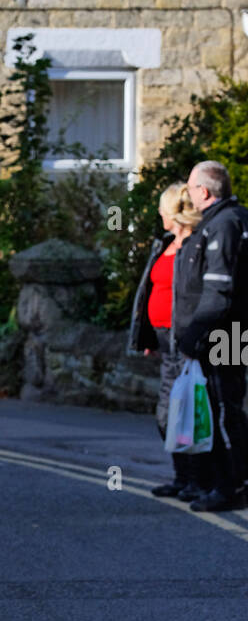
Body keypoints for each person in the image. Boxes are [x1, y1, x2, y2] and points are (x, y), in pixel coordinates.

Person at [128, 183, 211, 501]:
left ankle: (198, 480)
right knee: (168, 413)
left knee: (186, 411)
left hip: (186, 340)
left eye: (162, 208)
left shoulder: (195, 245)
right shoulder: (163, 242)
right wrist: (147, 336)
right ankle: (182, 477)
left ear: (174, 210)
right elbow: (151, 291)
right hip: (164, 339)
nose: (158, 213)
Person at [175, 160, 248, 511]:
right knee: (227, 407)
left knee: (224, 409)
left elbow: (219, 291)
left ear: (203, 191)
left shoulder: (224, 224)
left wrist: (193, 336)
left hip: (226, 332)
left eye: (190, 188)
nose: (188, 194)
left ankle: (229, 486)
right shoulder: (228, 219)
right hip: (227, 330)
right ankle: (230, 483)